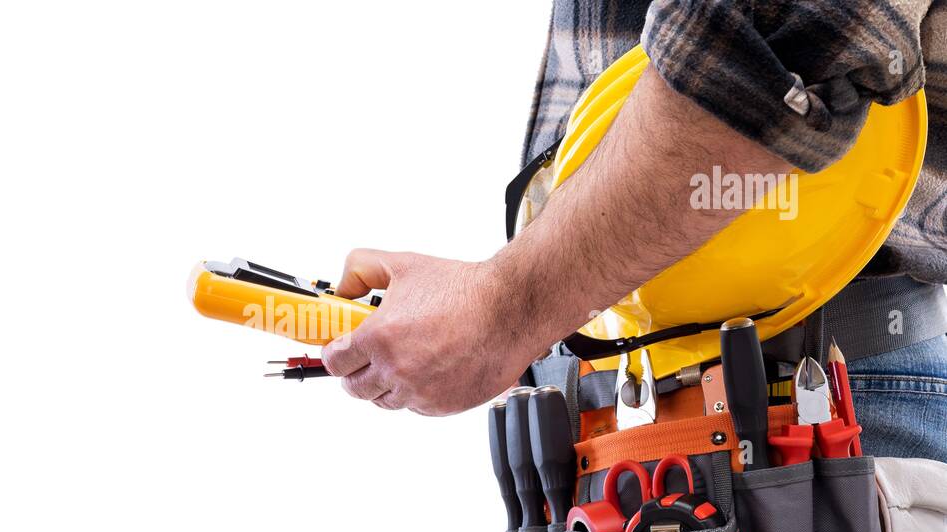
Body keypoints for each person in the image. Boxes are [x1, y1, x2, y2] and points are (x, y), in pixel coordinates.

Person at [320, 0, 947, 462]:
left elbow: (785, 47)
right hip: (601, 403)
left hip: (820, 395)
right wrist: (504, 308)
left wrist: (505, 307)